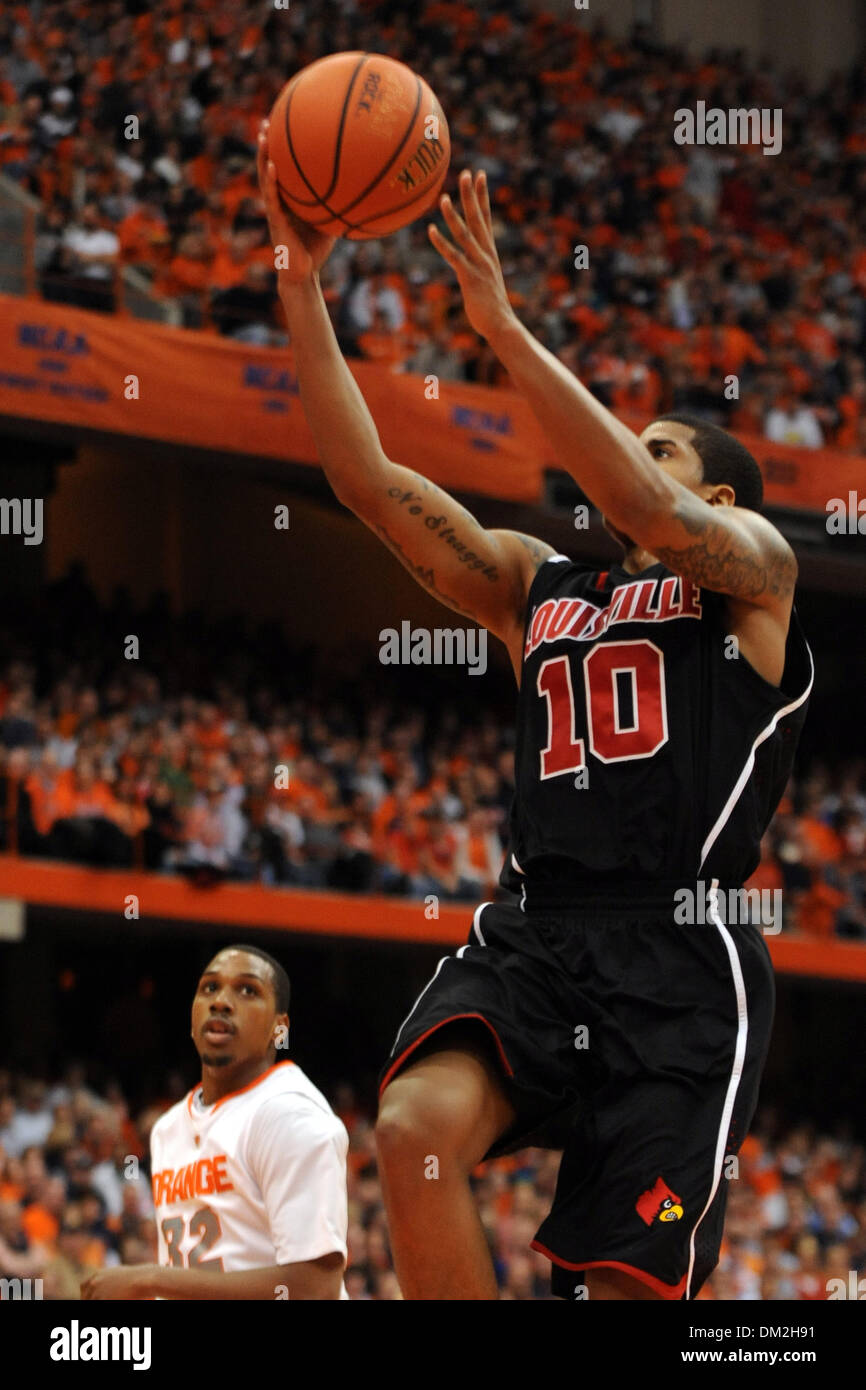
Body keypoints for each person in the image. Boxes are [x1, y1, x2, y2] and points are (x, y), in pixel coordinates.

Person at [256, 126, 812, 1301]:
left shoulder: (753, 572)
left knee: (615, 1285)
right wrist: (300, 287)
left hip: (680, 958)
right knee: (409, 1126)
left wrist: (501, 326)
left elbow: (637, 495)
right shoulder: (536, 584)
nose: (621, 454)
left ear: (714, 490)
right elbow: (365, 482)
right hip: (537, 931)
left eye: (656, 439)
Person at [81, 944, 348, 1299]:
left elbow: (315, 1289)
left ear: (279, 1029)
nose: (221, 1001)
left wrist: (149, 1279)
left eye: (248, 990)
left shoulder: (291, 1116)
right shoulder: (167, 1129)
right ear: (193, 1020)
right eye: (210, 987)